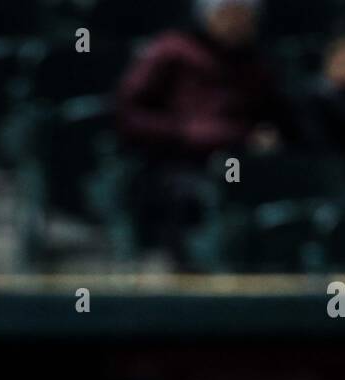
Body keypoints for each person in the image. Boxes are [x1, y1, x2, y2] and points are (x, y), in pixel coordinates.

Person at [114, 0, 300, 255]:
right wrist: (183, 132)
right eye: (228, 14)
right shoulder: (171, 50)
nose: (235, 23)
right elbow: (129, 115)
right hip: (179, 162)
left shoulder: (258, 63)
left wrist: (268, 136)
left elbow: (278, 118)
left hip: (242, 162)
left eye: (243, 16)